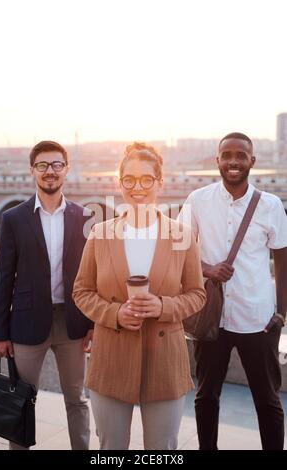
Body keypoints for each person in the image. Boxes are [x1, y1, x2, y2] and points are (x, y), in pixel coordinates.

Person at [73, 142, 206, 450]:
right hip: (111, 360)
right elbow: (81, 291)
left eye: (146, 179)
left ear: (160, 183)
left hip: (164, 363)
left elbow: (197, 294)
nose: (138, 187)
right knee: (111, 449)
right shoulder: (100, 234)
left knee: (162, 449)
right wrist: (114, 314)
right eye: (129, 179)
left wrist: (163, 306)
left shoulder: (182, 236)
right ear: (119, 184)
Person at [179, 132, 287, 450]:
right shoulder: (197, 200)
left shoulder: (270, 206)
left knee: (267, 401)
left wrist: (281, 313)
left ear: (252, 160)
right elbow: (179, 252)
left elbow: (282, 261)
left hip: (257, 319)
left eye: (241, 155)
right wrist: (207, 269)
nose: (233, 161)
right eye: (227, 155)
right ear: (218, 161)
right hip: (212, 319)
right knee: (206, 396)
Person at [0, 140, 94, 450]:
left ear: (66, 170)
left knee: (76, 399)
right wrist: (0, 333)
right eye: (43, 165)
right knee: (22, 400)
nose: (50, 171)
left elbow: (93, 277)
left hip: (72, 324)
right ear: (33, 170)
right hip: (25, 324)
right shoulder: (14, 218)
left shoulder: (84, 216)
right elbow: (4, 279)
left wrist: (93, 323)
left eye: (56, 165)